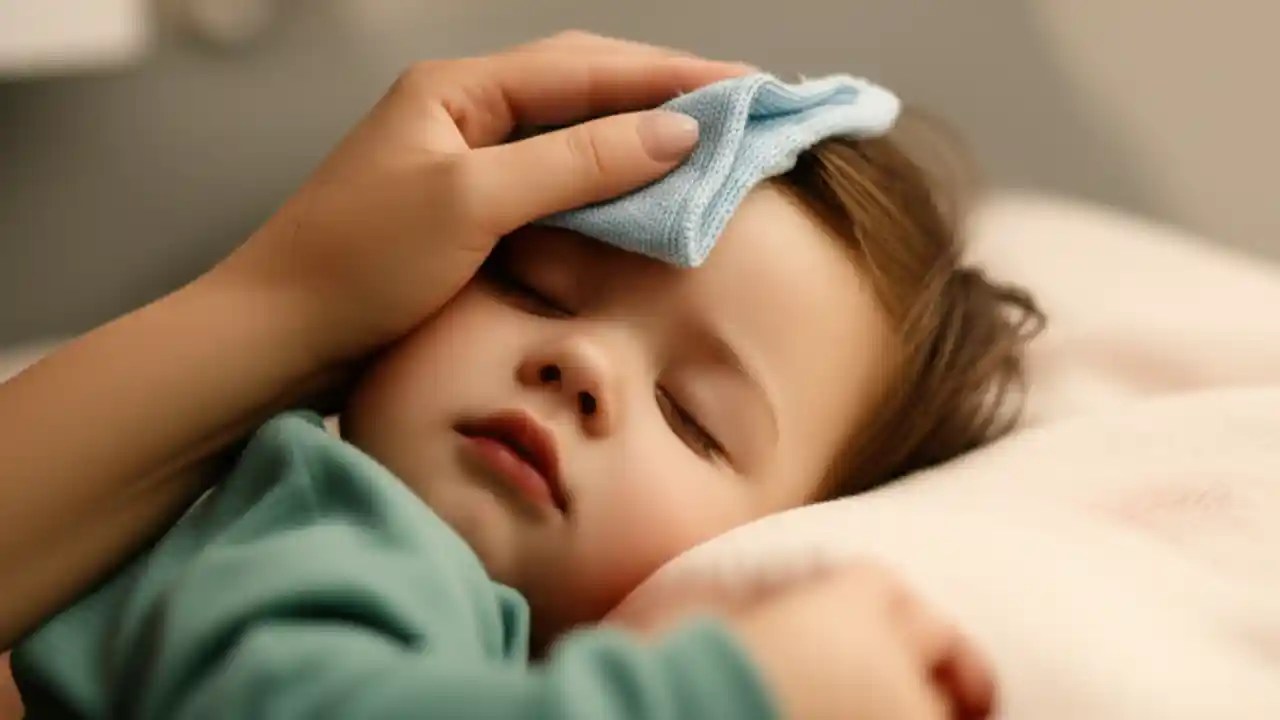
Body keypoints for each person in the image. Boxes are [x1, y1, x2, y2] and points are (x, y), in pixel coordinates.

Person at [1, 32, 1036, 719]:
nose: (578, 363)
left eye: (691, 418)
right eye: (533, 288)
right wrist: (738, 689)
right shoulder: (338, 526)